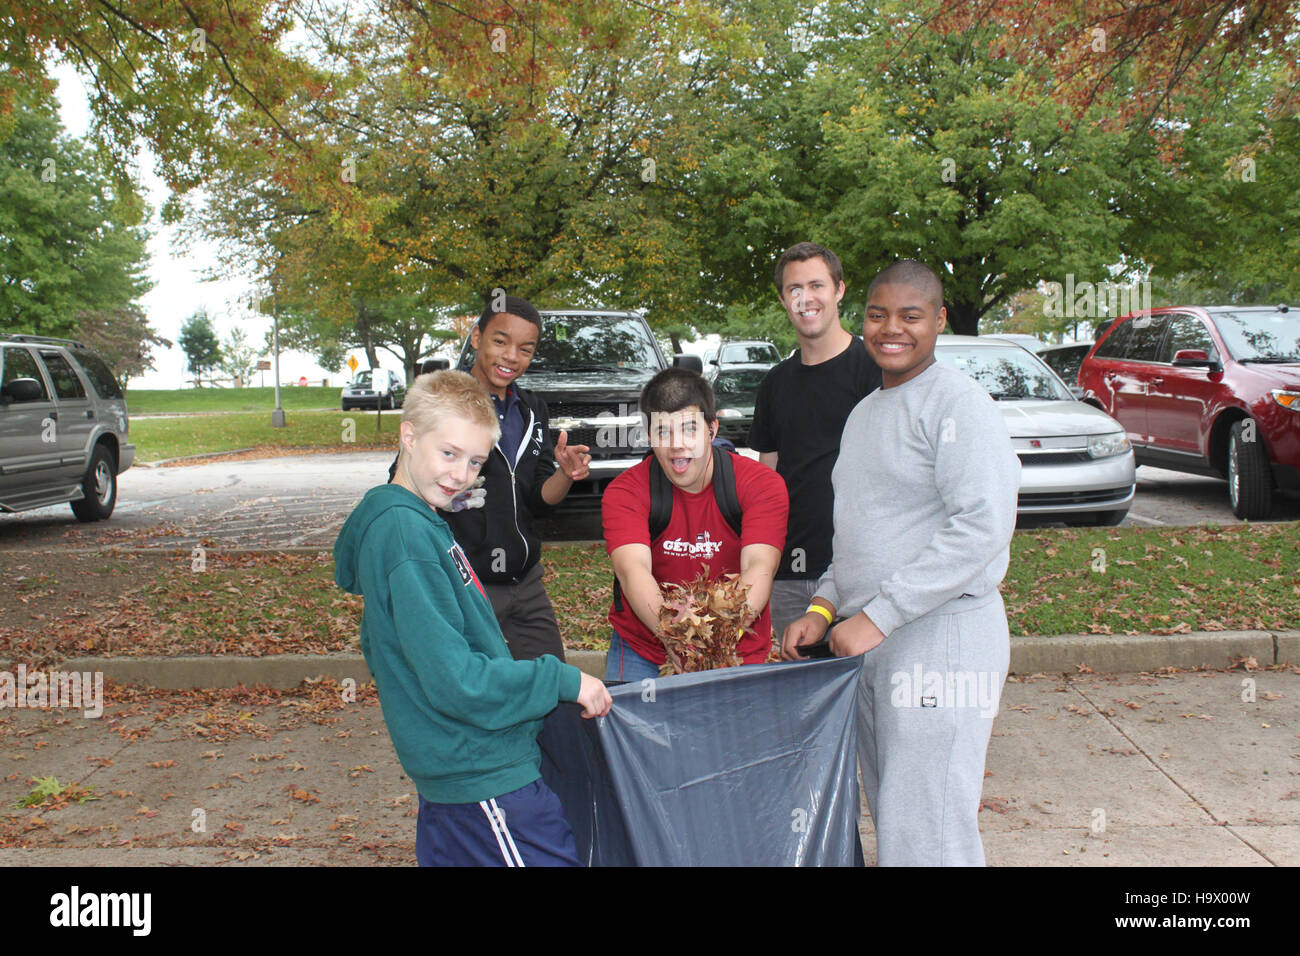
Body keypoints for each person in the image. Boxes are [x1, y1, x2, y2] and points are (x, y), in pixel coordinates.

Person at [782, 260, 1020, 867]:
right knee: (895, 816)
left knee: (928, 831)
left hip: (940, 639)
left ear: (939, 320)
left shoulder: (958, 404)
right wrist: (823, 606)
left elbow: (982, 527)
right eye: (879, 315)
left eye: (911, 316)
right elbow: (860, 537)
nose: (892, 329)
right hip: (872, 643)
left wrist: (881, 615)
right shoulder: (866, 413)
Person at [337, 370, 612, 866]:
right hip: (484, 779)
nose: (461, 474)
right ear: (408, 435)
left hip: (463, 771)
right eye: (449, 453)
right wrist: (561, 679)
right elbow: (455, 681)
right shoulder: (406, 537)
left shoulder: (419, 522)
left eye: (476, 462)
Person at [388, 295, 590, 663]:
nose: (512, 356)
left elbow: (538, 501)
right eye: (500, 341)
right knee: (476, 700)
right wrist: (448, 497)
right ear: (478, 338)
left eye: (525, 349)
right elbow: (399, 486)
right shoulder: (444, 402)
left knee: (551, 688)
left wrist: (565, 473)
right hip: (463, 586)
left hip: (526, 582)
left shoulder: (533, 410)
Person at [602, 368, 789, 682]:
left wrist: (713, 644)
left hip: (735, 646)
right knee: (632, 730)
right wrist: (677, 639)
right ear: (649, 435)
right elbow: (632, 571)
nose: (677, 445)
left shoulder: (761, 484)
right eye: (663, 432)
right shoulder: (625, 492)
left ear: (712, 430)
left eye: (689, 429)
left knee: (737, 732)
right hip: (647, 647)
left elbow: (759, 568)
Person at [748, 241, 882, 642]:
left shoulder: (876, 371)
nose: (806, 298)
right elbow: (766, 482)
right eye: (794, 289)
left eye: (817, 285)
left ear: (839, 290)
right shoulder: (774, 384)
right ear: (783, 299)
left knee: (864, 697)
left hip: (862, 569)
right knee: (802, 696)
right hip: (792, 570)